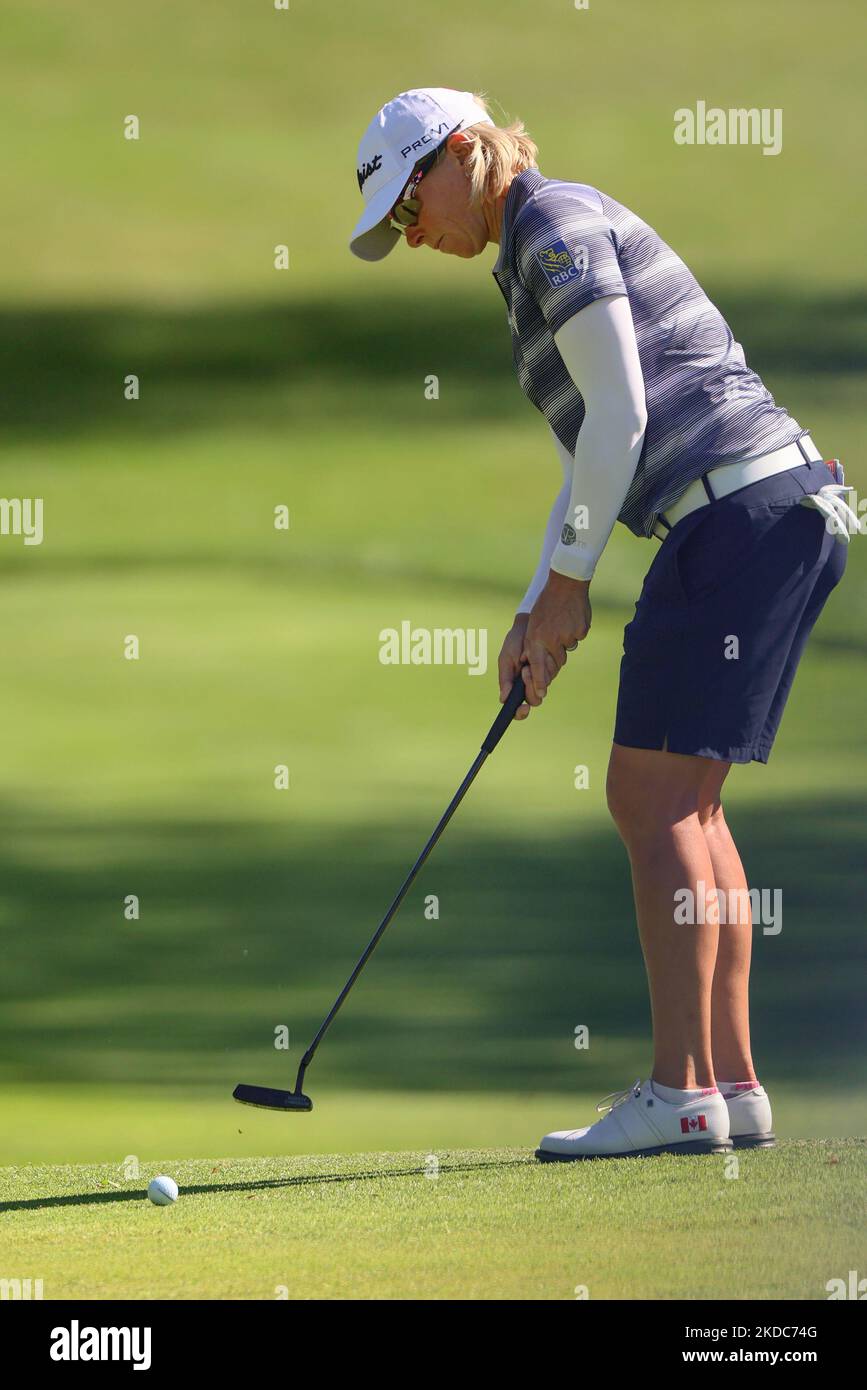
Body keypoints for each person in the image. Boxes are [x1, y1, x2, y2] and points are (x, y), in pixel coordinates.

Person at [349, 88, 855, 1160]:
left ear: (463, 153)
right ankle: (729, 1085)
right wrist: (537, 606)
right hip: (775, 510)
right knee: (689, 805)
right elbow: (590, 455)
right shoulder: (532, 251)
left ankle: (679, 1093)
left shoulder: (552, 228)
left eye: (408, 204)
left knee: (648, 797)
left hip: (735, 517)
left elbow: (622, 415)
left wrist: (571, 586)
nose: (411, 232)